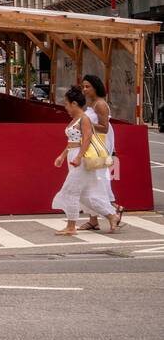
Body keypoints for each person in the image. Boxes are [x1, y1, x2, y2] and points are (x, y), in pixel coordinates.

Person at [52, 86, 120, 235]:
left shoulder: (84, 119)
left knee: (70, 190)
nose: (66, 107)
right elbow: (72, 141)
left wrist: (78, 156)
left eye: (67, 104)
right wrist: (62, 156)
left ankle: (71, 226)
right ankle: (112, 215)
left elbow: (87, 139)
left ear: (74, 104)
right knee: (86, 194)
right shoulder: (76, 119)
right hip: (74, 155)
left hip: (81, 159)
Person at [79, 74, 124, 231]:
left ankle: (113, 210)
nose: (84, 90)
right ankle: (95, 219)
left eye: (87, 87)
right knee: (92, 182)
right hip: (92, 147)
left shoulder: (100, 105)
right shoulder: (92, 104)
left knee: (96, 182)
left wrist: (85, 124)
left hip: (99, 149)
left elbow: (104, 127)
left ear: (95, 87)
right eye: (83, 87)